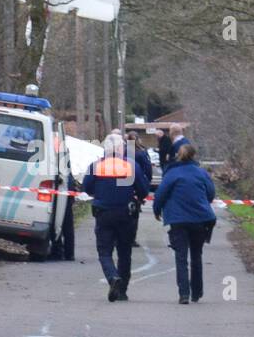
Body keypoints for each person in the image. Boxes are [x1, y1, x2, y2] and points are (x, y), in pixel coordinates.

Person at [82, 132, 149, 302]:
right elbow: (143, 190)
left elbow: (86, 187)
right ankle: (123, 291)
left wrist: (100, 193)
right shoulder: (131, 166)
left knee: (104, 251)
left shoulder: (96, 166)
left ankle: (112, 277)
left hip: (103, 213)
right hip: (126, 213)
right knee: (125, 252)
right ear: (121, 149)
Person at [152, 143, 217, 305]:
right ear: (194, 156)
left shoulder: (172, 173)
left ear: (178, 156)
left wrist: (157, 210)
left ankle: (184, 294)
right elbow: (210, 193)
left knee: (180, 257)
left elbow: (160, 194)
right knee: (196, 256)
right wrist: (201, 202)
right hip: (200, 219)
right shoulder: (201, 173)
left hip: (178, 220)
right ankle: (197, 291)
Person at [126, 131, 153, 248]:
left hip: (122, 184)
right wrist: (146, 184)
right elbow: (147, 169)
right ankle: (131, 238)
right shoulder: (141, 153)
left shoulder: (122, 152)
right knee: (134, 213)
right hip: (136, 184)